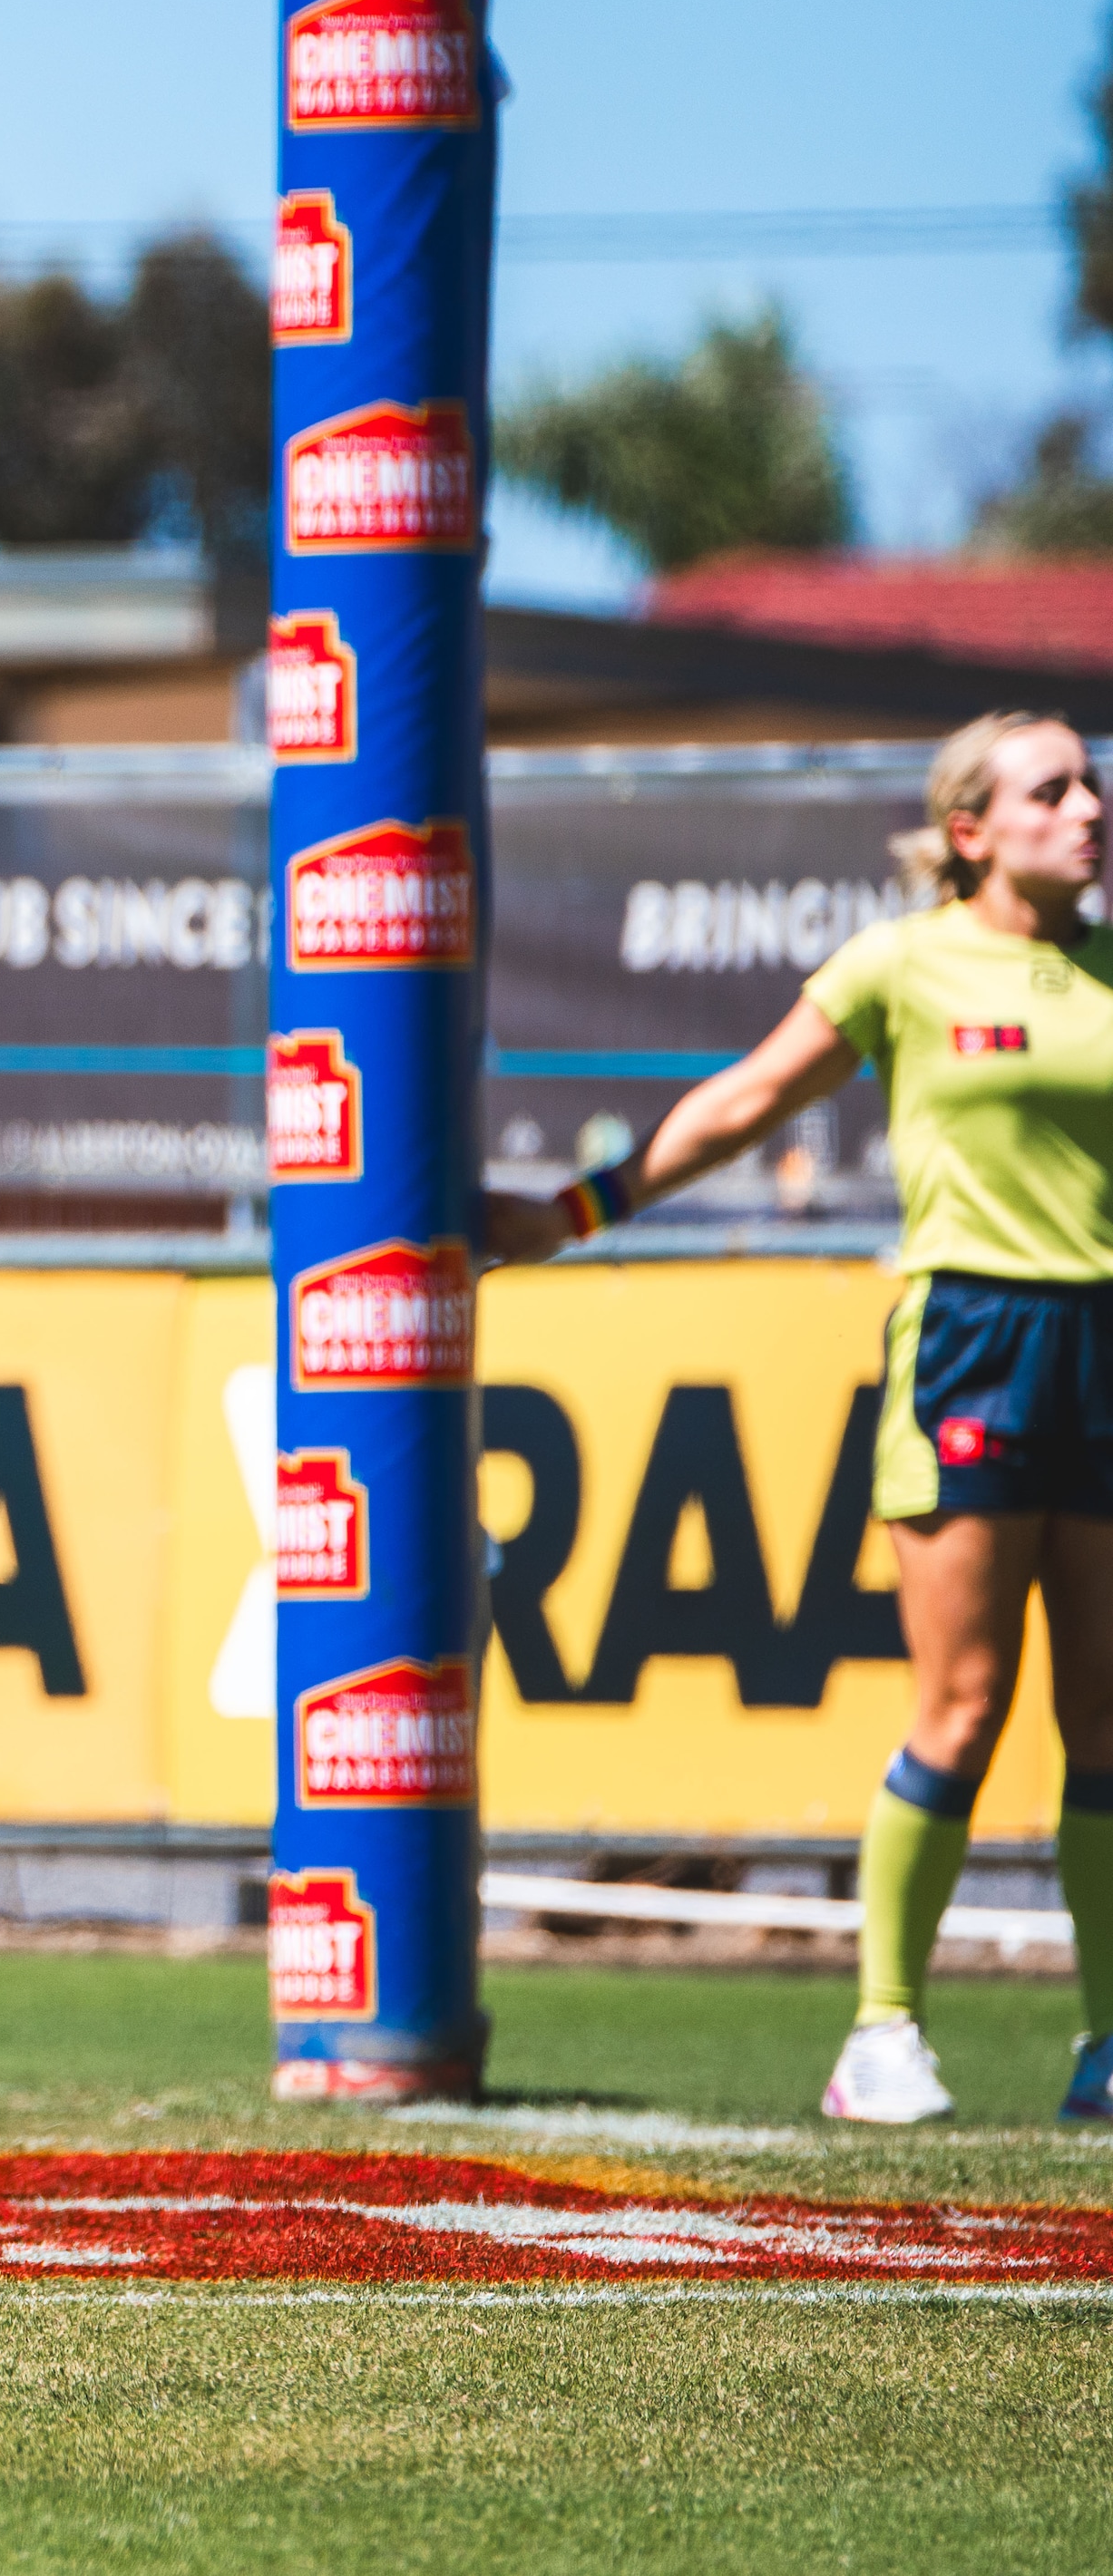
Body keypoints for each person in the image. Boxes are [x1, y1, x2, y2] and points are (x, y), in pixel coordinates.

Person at [490, 709, 1113, 2126]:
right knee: (960, 1709)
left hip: (1105, 1344)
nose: (1090, 806)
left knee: (1107, 1721)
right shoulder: (904, 963)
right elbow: (752, 1098)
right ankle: (882, 2032)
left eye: (1094, 784)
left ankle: (1105, 2047)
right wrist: (577, 1212)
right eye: (1055, 786)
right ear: (971, 830)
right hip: (972, 1337)